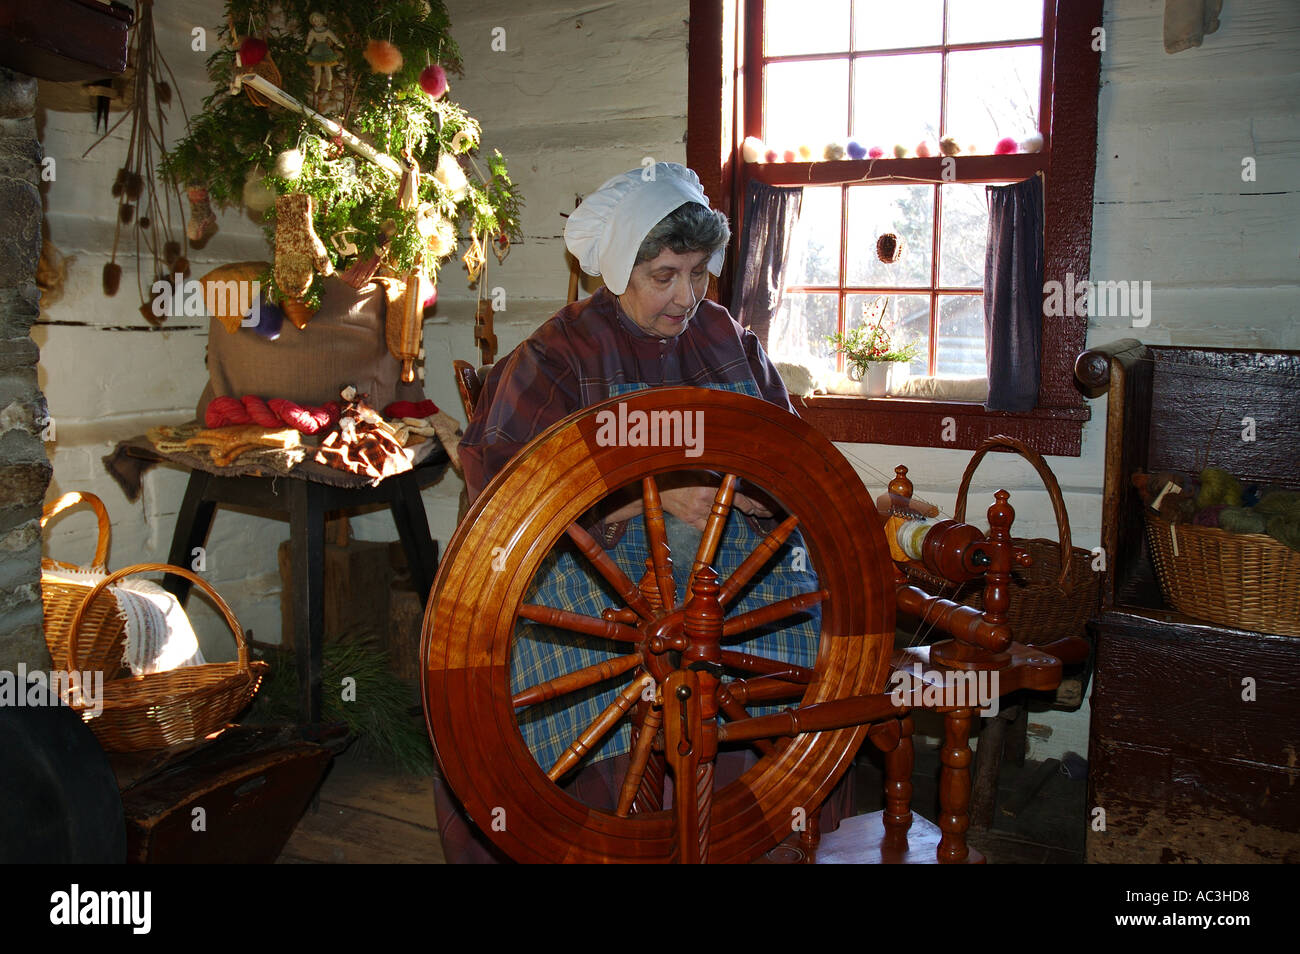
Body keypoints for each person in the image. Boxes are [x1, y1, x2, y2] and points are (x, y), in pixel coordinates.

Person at [435, 163, 846, 862]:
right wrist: (637, 496)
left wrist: (764, 489)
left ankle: (772, 826)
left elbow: (791, 446)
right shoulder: (557, 358)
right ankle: (603, 841)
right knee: (543, 670)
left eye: (698, 273)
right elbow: (499, 494)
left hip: (730, 573)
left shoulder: (725, 339)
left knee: (830, 644)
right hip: (590, 576)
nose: (687, 296)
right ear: (618, 269)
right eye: (665, 275)